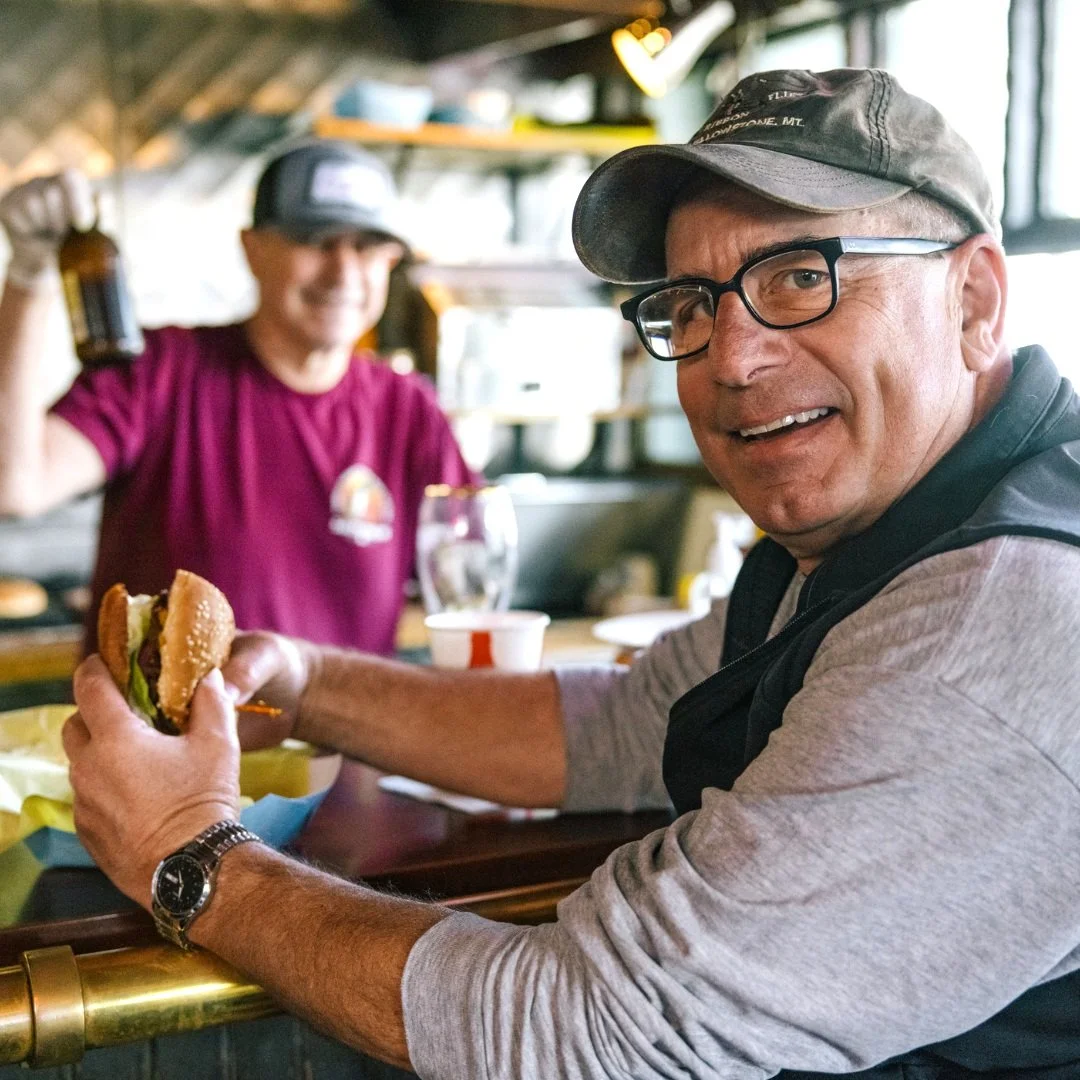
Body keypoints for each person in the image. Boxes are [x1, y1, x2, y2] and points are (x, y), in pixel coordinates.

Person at [65, 67, 1080, 1079]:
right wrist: (307, 683)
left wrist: (190, 855)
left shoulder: (990, 626)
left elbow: (590, 1029)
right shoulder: (884, 530)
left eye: (800, 276)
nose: (730, 357)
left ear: (975, 299)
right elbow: (620, 724)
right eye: (690, 302)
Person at [0, 141, 474, 655]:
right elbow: (15, 485)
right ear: (252, 248)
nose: (343, 273)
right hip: (156, 735)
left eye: (365, 248)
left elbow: (469, 582)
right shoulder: (162, 371)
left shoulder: (408, 411)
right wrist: (29, 277)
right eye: (314, 240)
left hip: (337, 737)